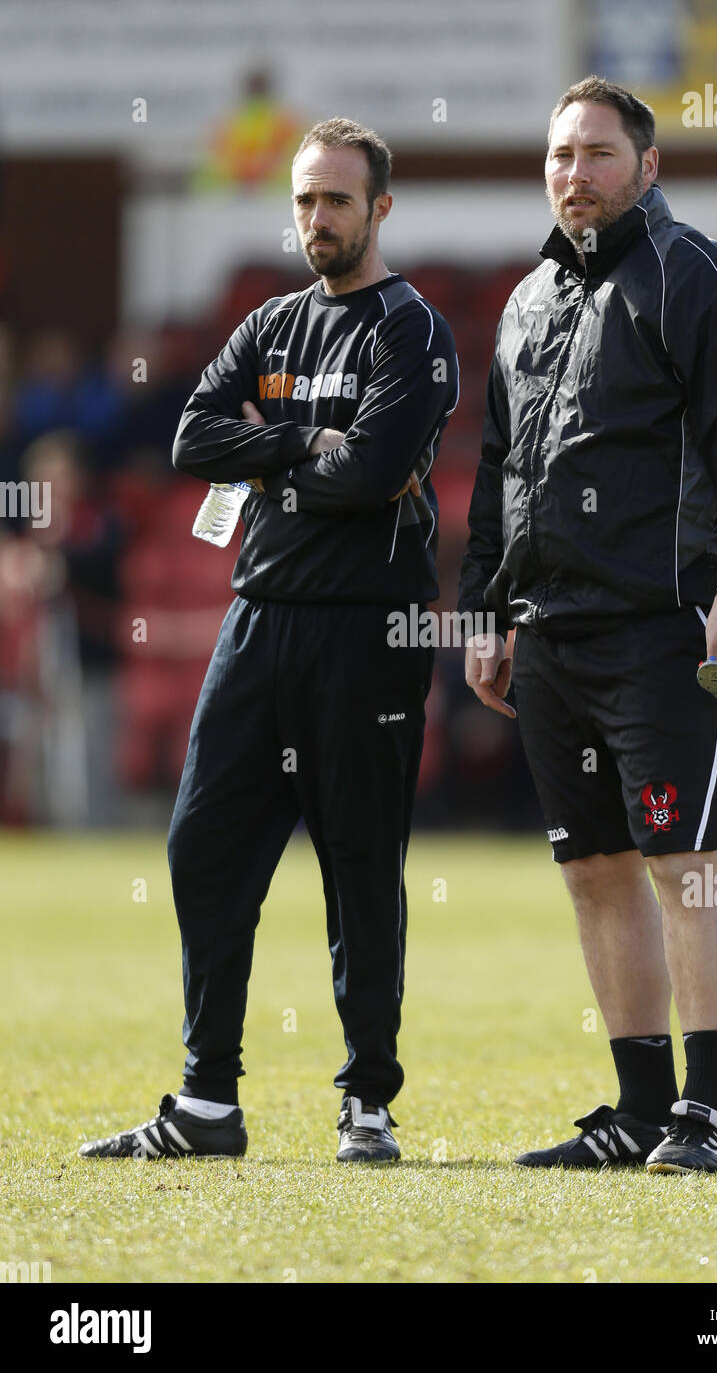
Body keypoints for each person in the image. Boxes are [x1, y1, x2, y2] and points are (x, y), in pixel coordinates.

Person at [78, 117, 458, 1165]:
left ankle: (367, 1101)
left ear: (380, 208)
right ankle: (207, 1102)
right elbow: (192, 439)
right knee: (201, 847)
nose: (317, 219)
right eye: (303, 201)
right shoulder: (270, 324)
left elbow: (375, 473)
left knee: (360, 868)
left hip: (364, 631)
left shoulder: (413, 330)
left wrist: (288, 460)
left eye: (338, 199)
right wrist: (299, 440)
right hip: (259, 623)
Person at [458, 77, 717, 1174]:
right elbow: (499, 471)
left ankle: (708, 1112)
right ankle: (639, 1109)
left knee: (686, 863)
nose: (577, 174)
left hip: (662, 627)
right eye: (561, 156)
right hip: (551, 631)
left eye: (599, 155)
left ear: (647, 168)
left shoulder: (699, 277)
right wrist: (486, 610)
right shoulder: (526, 302)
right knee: (596, 869)